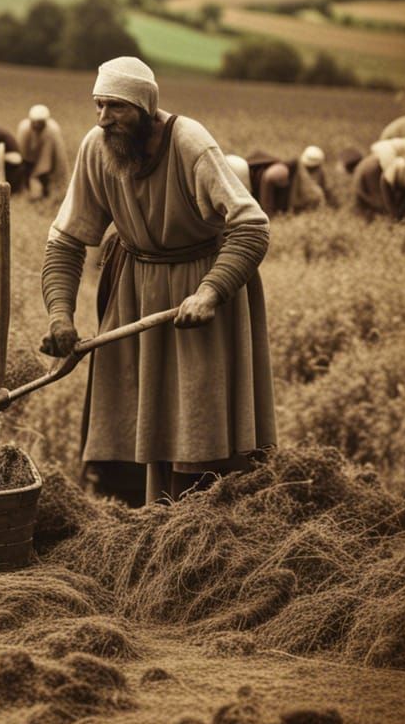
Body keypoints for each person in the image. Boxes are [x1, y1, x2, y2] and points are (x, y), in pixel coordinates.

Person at [39, 57, 276, 507]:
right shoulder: (97, 147)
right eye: (99, 105)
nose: (104, 119)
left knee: (198, 411)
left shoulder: (190, 143)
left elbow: (251, 225)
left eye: (117, 108)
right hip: (133, 290)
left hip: (198, 292)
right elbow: (66, 240)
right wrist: (60, 316)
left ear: (146, 108)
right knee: (127, 407)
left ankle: (204, 515)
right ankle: (133, 514)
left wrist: (210, 292)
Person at [353, 138, 405, 221]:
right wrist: (394, 213)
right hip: (377, 165)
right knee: (385, 203)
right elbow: (386, 185)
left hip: (370, 163)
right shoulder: (398, 165)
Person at [244, 146, 337, 216]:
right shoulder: (287, 170)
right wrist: (267, 214)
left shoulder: (318, 173)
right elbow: (268, 178)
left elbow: (324, 189)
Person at [17, 104, 70, 200]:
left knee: (51, 184)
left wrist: (36, 175)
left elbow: (50, 158)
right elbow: (22, 152)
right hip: (30, 160)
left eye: (40, 122)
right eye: (35, 122)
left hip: (49, 164)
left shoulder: (52, 131)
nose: (37, 125)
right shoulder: (24, 129)